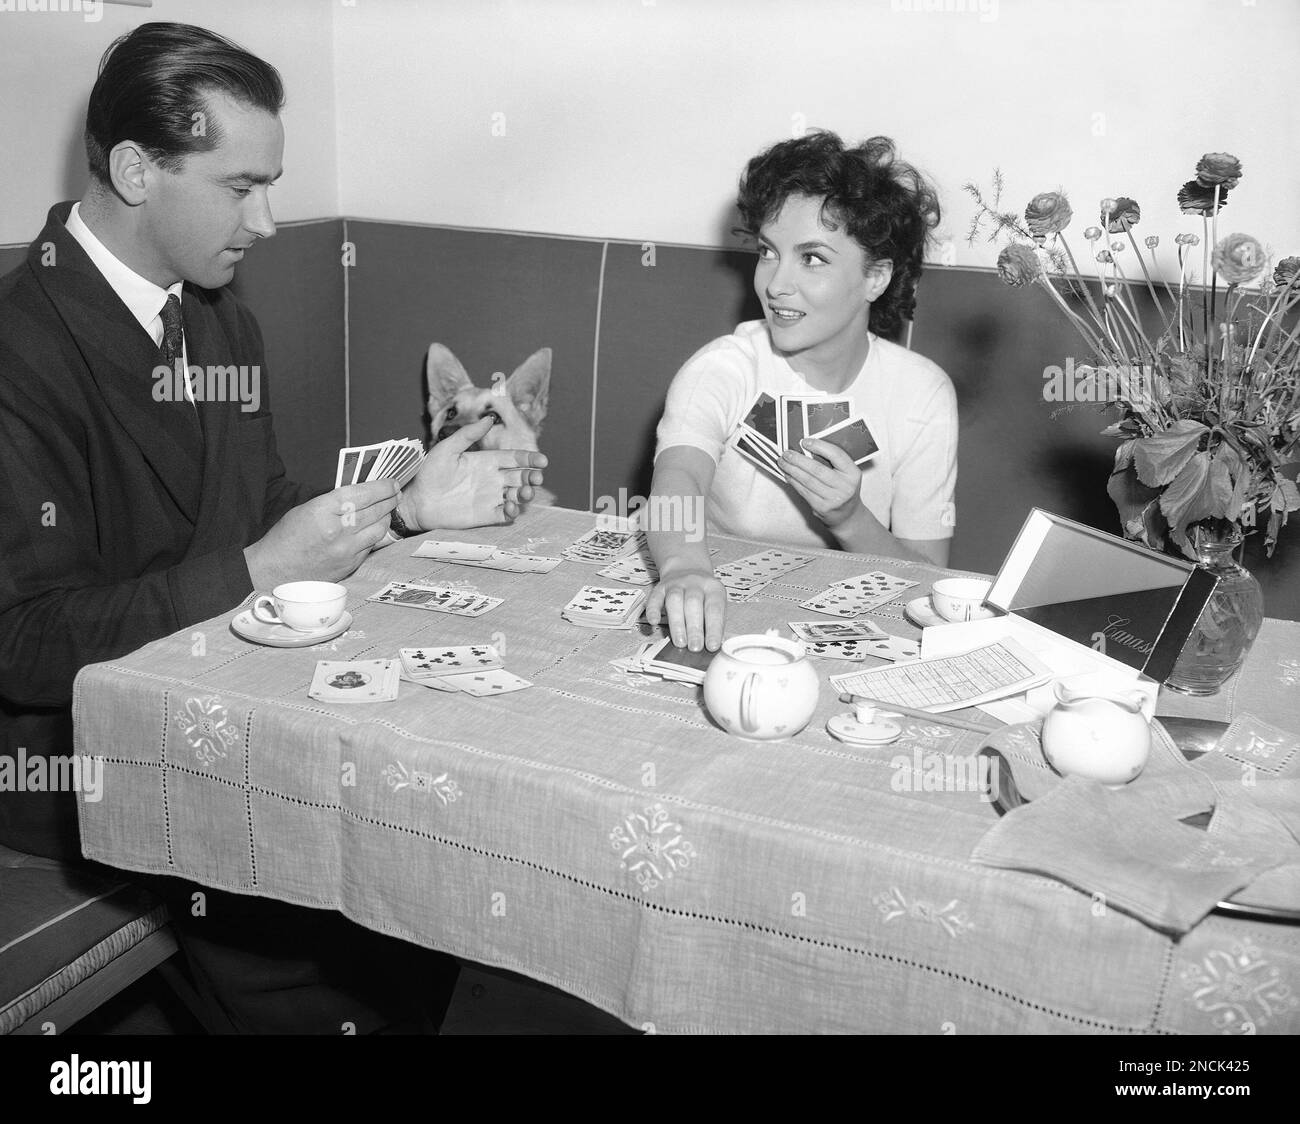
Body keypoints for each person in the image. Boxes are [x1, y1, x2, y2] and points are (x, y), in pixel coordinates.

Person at [0, 22, 545, 1033]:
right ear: (133, 169)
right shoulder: (18, 345)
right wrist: (258, 565)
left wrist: (411, 505)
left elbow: (256, 509)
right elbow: (24, 645)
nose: (269, 219)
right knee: (335, 964)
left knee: (418, 874)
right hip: (83, 760)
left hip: (231, 702)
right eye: (241, 185)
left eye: (272, 183)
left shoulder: (215, 314)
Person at [645, 132, 956, 653]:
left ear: (876, 277)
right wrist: (681, 566)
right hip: (711, 603)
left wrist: (850, 518)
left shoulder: (922, 392)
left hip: (840, 630)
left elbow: (928, 579)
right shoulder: (724, 366)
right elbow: (677, 477)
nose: (775, 284)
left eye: (812, 258)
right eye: (769, 252)